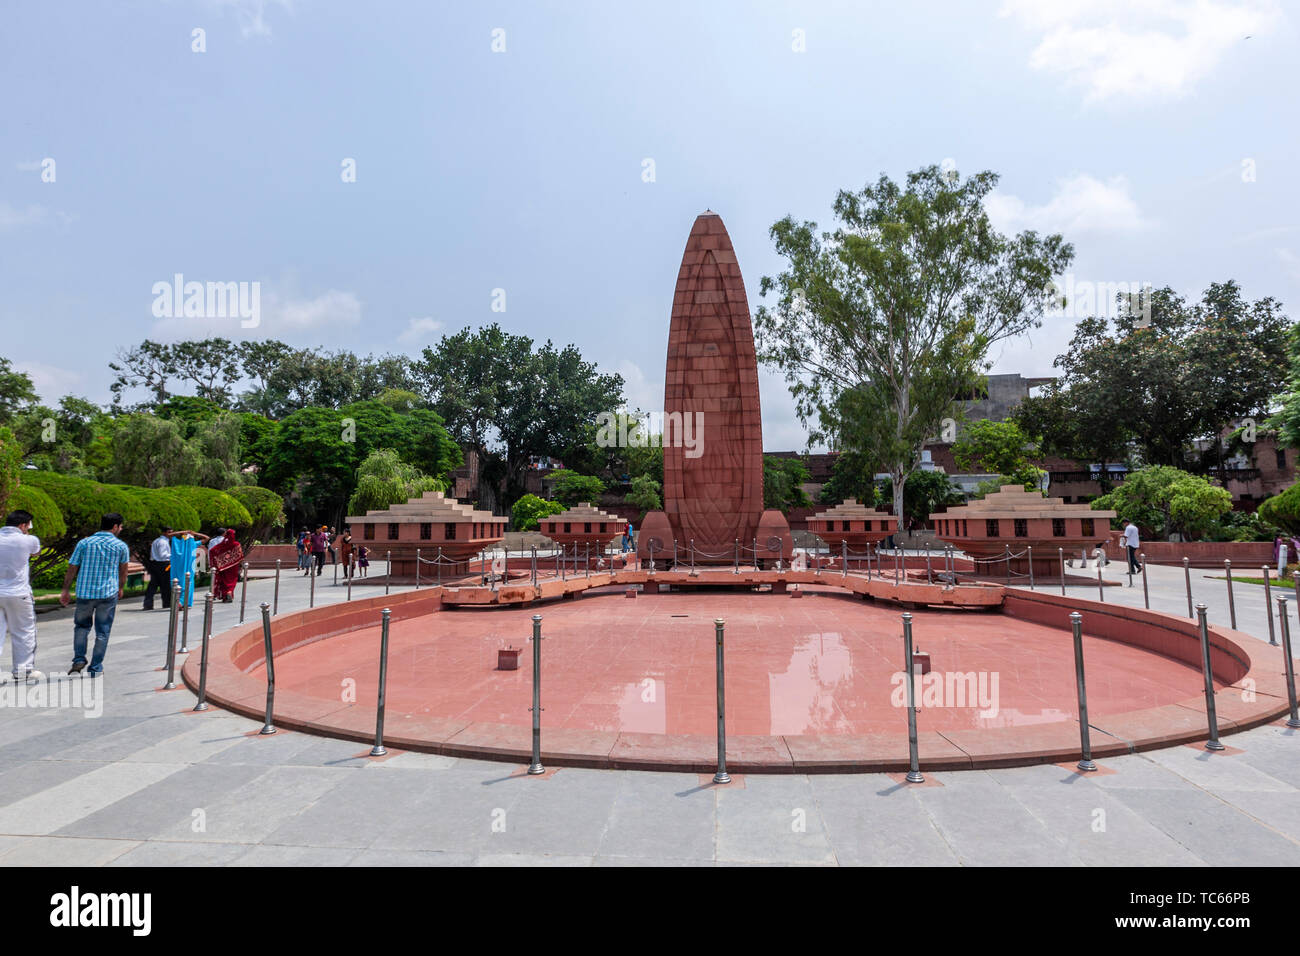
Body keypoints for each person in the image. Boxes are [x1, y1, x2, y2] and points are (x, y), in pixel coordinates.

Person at [61, 512, 132, 676]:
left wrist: (65, 589)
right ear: (115, 527)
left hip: (85, 593)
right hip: (107, 594)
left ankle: (79, 659)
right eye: (120, 527)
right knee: (103, 631)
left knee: (81, 627)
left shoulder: (84, 543)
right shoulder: (121, 546)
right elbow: (123, 571)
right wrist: (121, 588)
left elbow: (72, 567)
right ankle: (95, 667)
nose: (120, 529)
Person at [0, 510, 43, 682]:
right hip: (18, 593)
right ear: (23, 525)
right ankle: (23, 670)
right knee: (24, 631)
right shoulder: (29, 540)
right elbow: (35, 553)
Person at [208, 528, 244, 602]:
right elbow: (240, 556)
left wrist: (215, 562)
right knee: (232, 580)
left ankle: (225, 596)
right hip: (234, 567)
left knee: (224, 581)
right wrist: (241, 565)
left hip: (223, 566)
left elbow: (211, 551)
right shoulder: (237, 544)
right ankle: (229, 592)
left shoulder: (222, 545)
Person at [142, 526, 173, 610]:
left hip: (155, 564)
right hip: (163, 564)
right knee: (165, 585)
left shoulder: (156, 541)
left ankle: (148, 604)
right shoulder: (163, 542)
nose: (171, 534)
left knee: (153, 585)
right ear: (164, 533)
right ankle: (166, 603)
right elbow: (163, 555)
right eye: (169, 532)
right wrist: (174, 555)